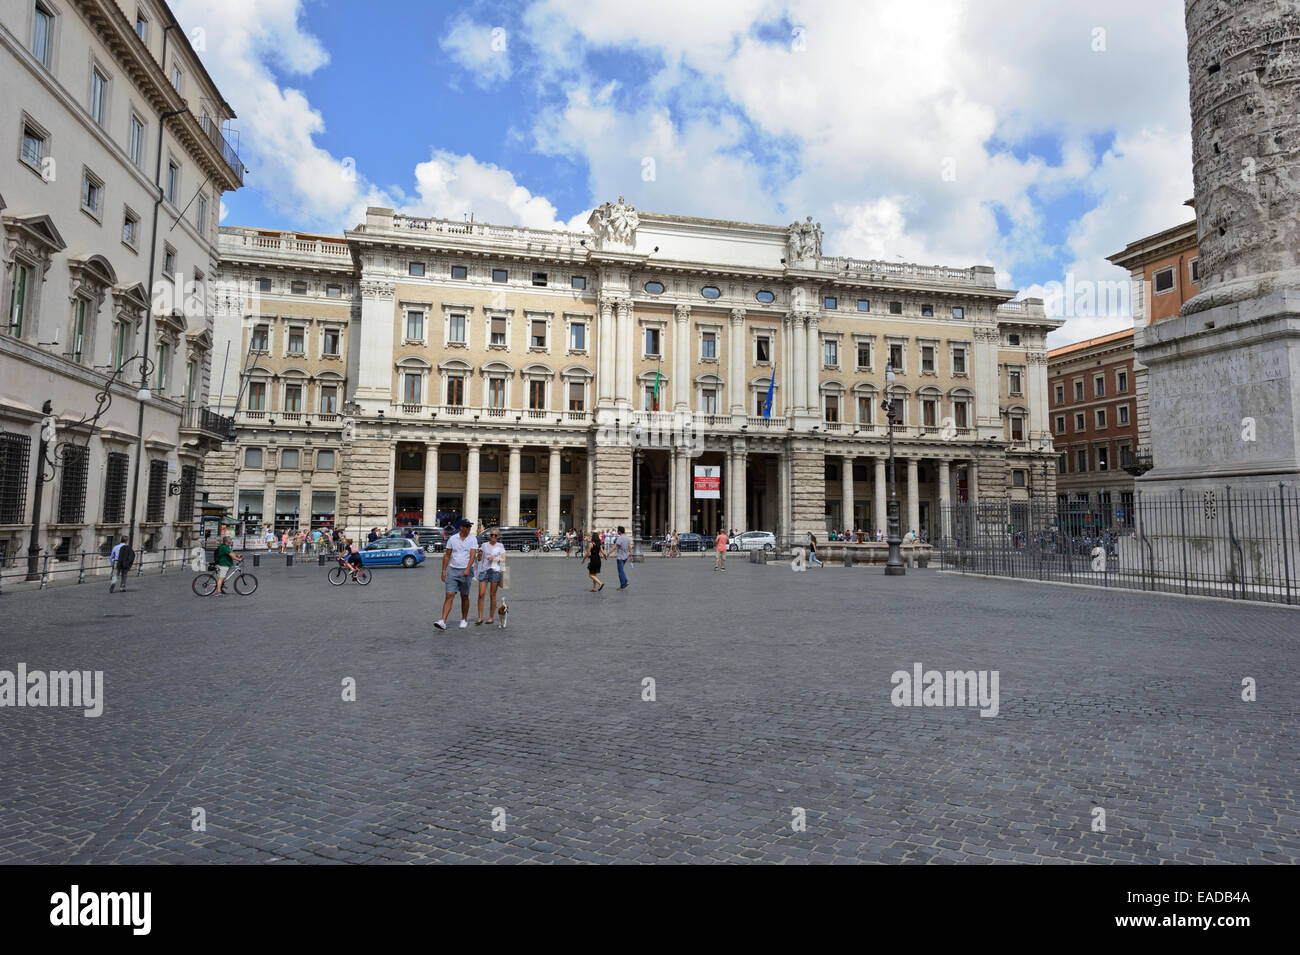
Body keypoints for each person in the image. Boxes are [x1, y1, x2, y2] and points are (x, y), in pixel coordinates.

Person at [435, 520, 479, 631]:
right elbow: (447, 555)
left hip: (466, 570)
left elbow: (473, 555)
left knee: (464, 596)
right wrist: (443, 571)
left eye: (470, 526)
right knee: (449, 595)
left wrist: (468, 569)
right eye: (467, 526)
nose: (469, 528)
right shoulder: (453, 539)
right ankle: (443, 621)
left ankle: (464, 619)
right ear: (461, 527)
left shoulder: (472, 539)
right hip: (453, 570)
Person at [475, 528, 507, 626]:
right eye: (491, 535)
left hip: (495, 571)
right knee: (481, 594)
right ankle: (480, 617)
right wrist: (479, 556)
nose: (493, 537)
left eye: (495, 535)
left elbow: (504, 559)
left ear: (498, 536)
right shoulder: (484, 545)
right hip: (484, 571)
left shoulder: (500, 546)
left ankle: (491, 617)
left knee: (492, 595)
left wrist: (494, 558)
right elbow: (479, 558)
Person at [610, 525, 631, 589]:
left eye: (617, 531)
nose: (617, 532)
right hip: (626, 556)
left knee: (620, 571)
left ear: (619, 531)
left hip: (620, 557)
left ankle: (623, 584)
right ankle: (624, 582)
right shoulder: (628, 538)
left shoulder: (620, 538)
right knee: (621, 570)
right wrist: (631, 555)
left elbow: (615, 546)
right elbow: (629, 547)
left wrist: (608, 553)